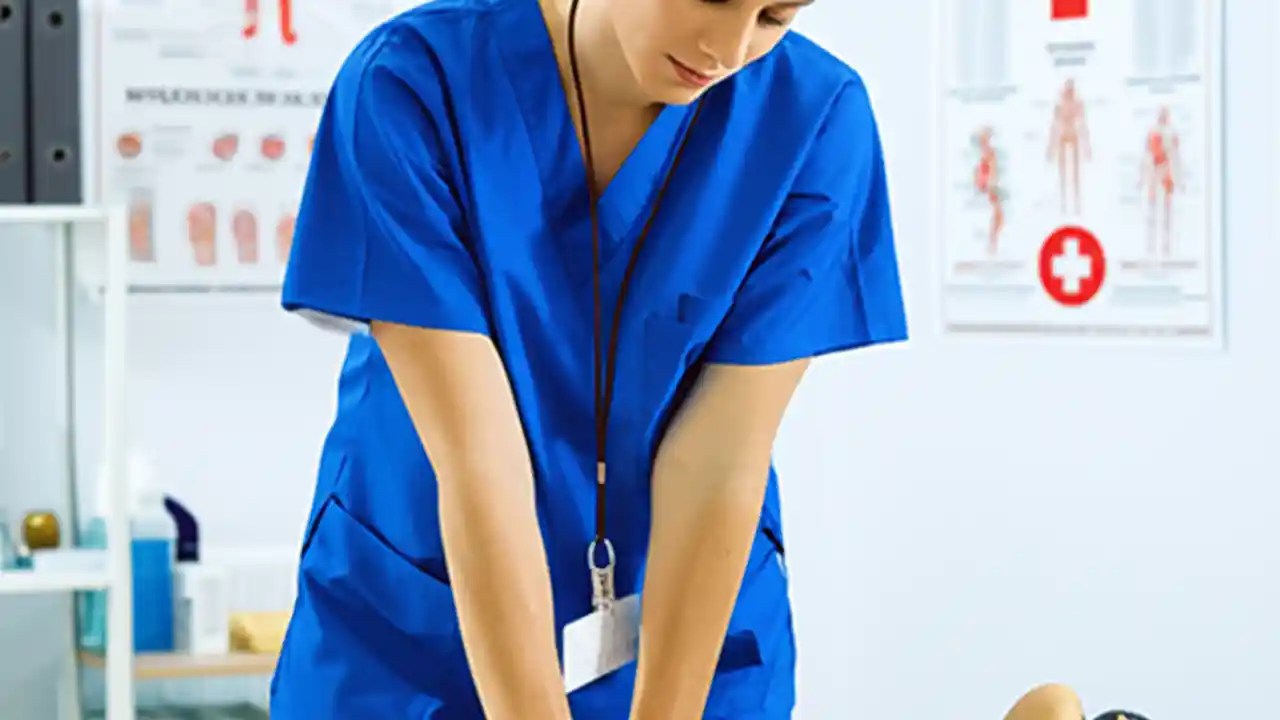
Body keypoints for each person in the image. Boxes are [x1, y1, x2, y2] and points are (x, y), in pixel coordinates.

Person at [270, 0, 907, 717]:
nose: (727, 48)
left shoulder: (813, 119)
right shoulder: (413, 84)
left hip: (690, 627)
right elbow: (479, 462)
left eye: (773, 16)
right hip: (417, 626)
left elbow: (722, 457)